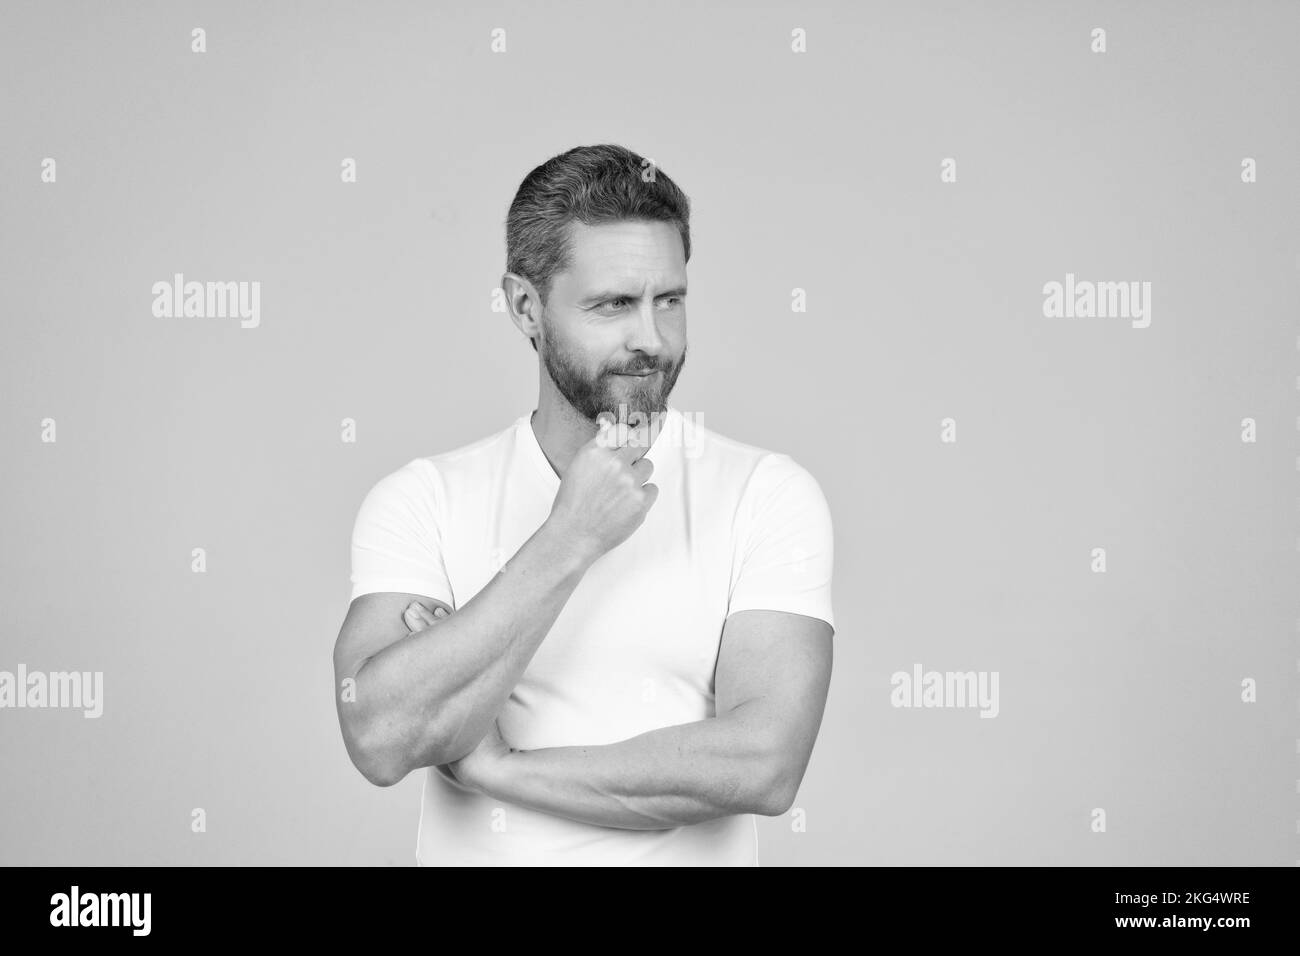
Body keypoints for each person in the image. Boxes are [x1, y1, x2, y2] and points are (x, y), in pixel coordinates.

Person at [332, 144, 835, 865]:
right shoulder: (423, 501)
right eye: (613, 305)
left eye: (670, 300)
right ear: (524, 307)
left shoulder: (767, 495)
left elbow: (764, 764)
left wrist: (498, 768)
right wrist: (568, 538)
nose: (652, 340)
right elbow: (378, 738)